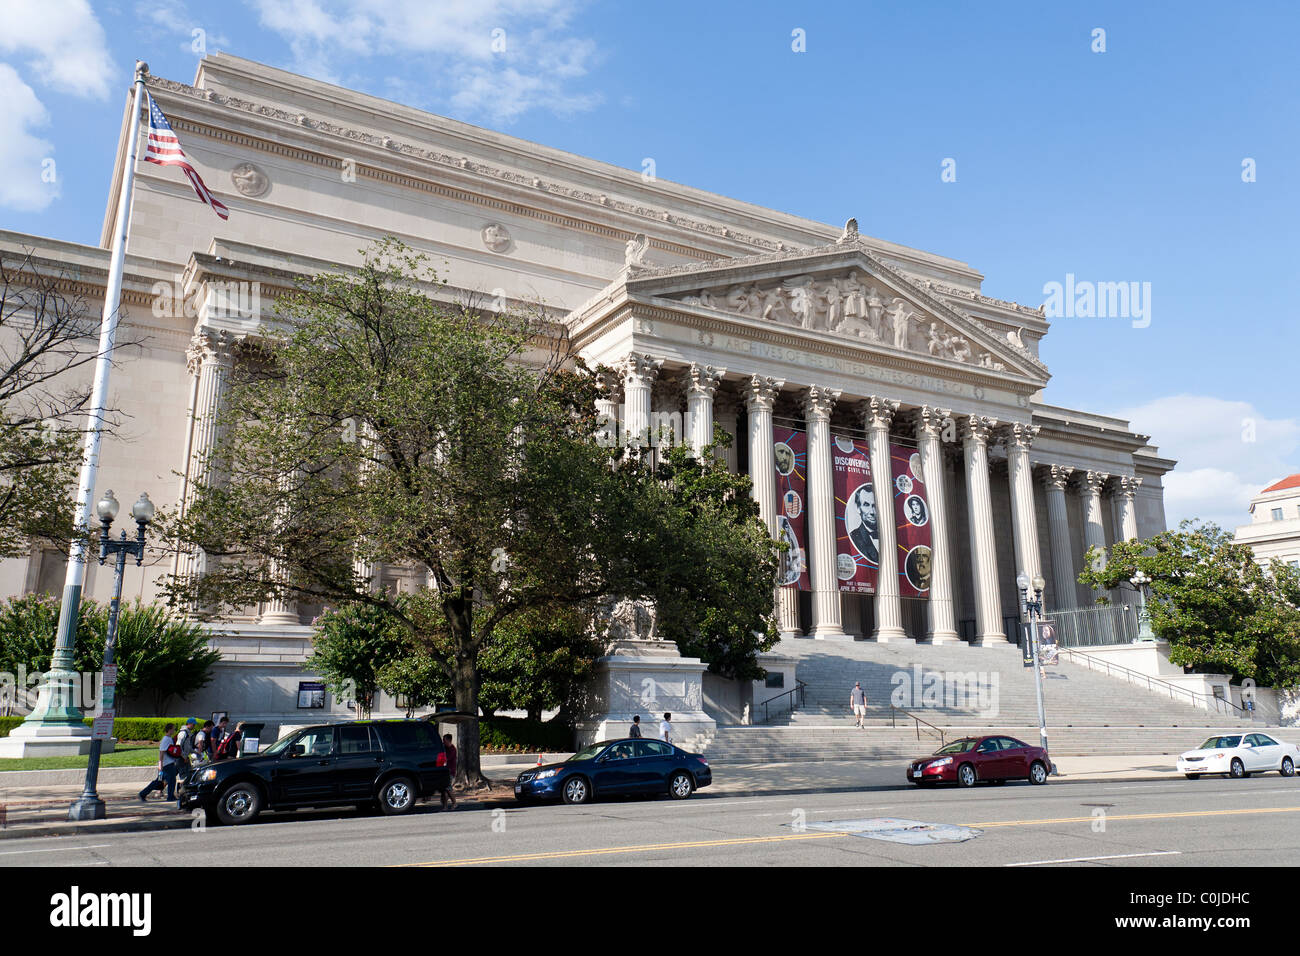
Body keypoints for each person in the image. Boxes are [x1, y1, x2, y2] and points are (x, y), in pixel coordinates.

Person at [138, 723, 181, 802]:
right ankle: (170, 797)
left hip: (168, 764)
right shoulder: (166, 739)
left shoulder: (169, 739)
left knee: (160, 782)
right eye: (173, 729)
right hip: (166, 765)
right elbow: (161, 753)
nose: (174, 730)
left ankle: (143, 793)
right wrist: (160, 765)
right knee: (170, 780)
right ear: (169, 729)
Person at [848, 484, 880, 563]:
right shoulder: (854, 537)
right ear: (858, 508)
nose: (872, 511)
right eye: (866, 505)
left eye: (874, 505)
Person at [440, 733, 458, 810]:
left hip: (450, 771)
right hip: (444, 771)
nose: (443, 742)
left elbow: (446, 759)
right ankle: (445, 806)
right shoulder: (445, 748)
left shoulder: (452, 749)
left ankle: (454, 803)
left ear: (449, 740)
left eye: (444, 740)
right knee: (444, 789)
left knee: (448, 788)